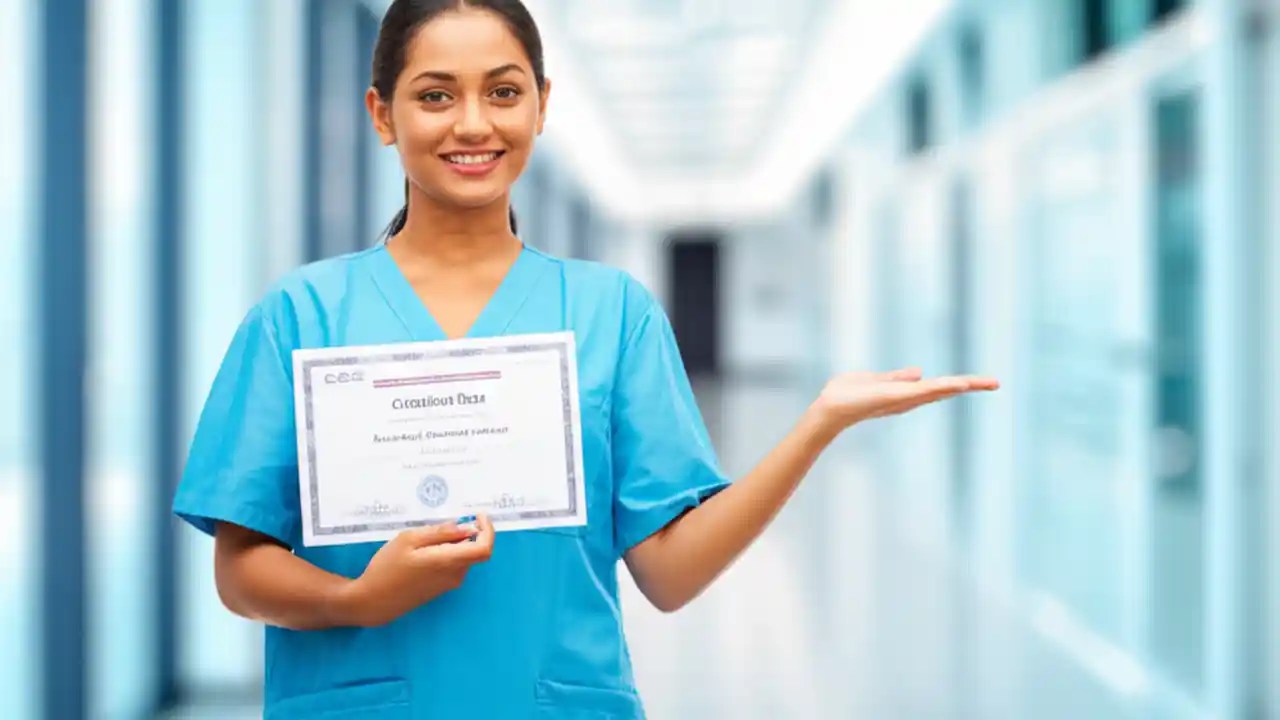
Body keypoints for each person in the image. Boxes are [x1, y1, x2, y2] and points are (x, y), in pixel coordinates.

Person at [171, 0, 999, 717]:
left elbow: (670, 574)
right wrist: (360, 598)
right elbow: (241, 572)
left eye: (503, 91)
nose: (472, 123)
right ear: (382, 115)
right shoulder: (301, 316)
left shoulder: (611, 314)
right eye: (434, 96)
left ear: (541, 106)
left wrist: (815, 426)